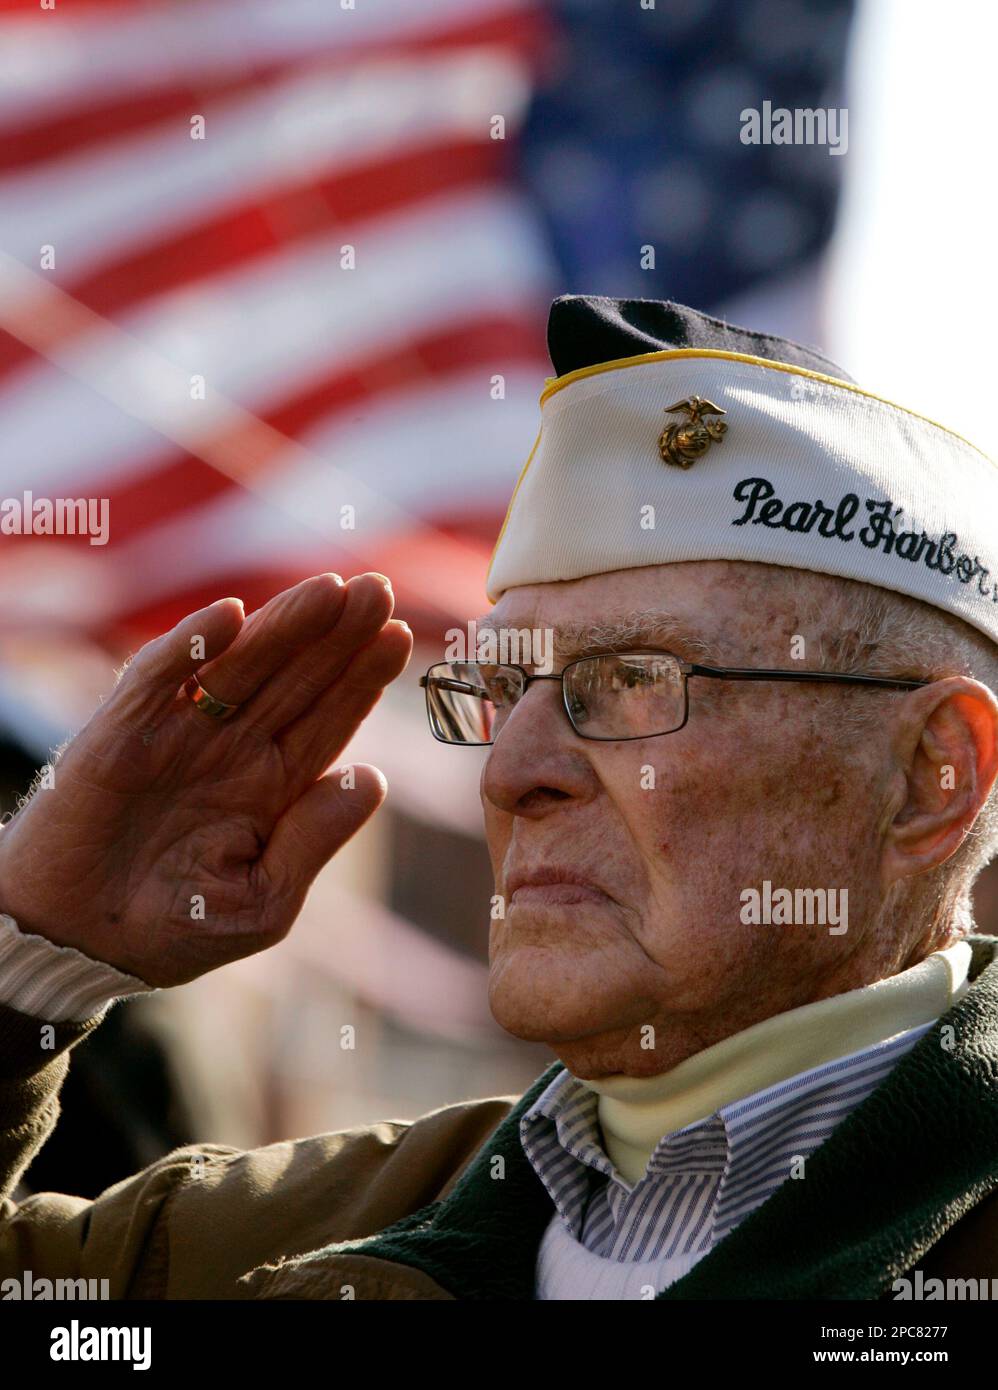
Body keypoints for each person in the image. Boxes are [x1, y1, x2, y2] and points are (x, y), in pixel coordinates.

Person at [1, 295, 997, 1301]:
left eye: (628, 680)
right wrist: (30, 961)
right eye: (499, 687)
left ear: (930, 773)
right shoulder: (280, 1230)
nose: (508, 773)